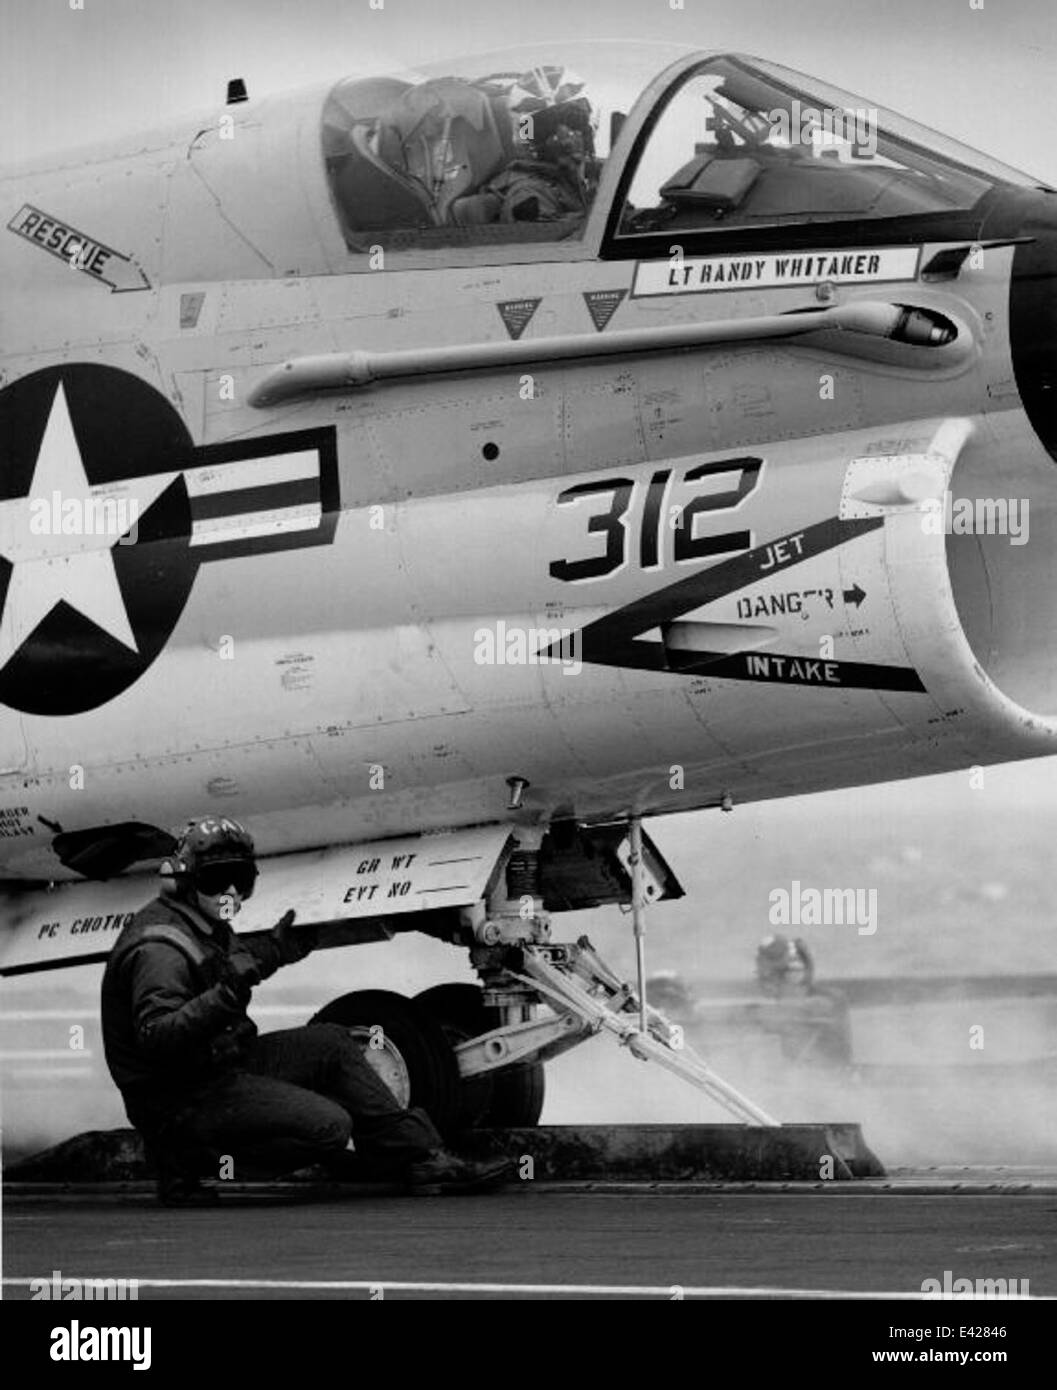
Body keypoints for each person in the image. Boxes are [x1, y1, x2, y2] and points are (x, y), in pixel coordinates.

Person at [101, 815, 511, 1205]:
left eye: (240, 880)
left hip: (218, 1065)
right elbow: (157, 1037)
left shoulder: (200, 920)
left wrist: (278, 950)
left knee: (332, 1043)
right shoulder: (159, 948)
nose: (229, 892)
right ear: (184, 881)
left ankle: (422, 1159)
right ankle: (186, 1161)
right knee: (330, 1125)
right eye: (215, 879)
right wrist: (227, 993)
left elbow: (229, 968)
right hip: (179, 1099)